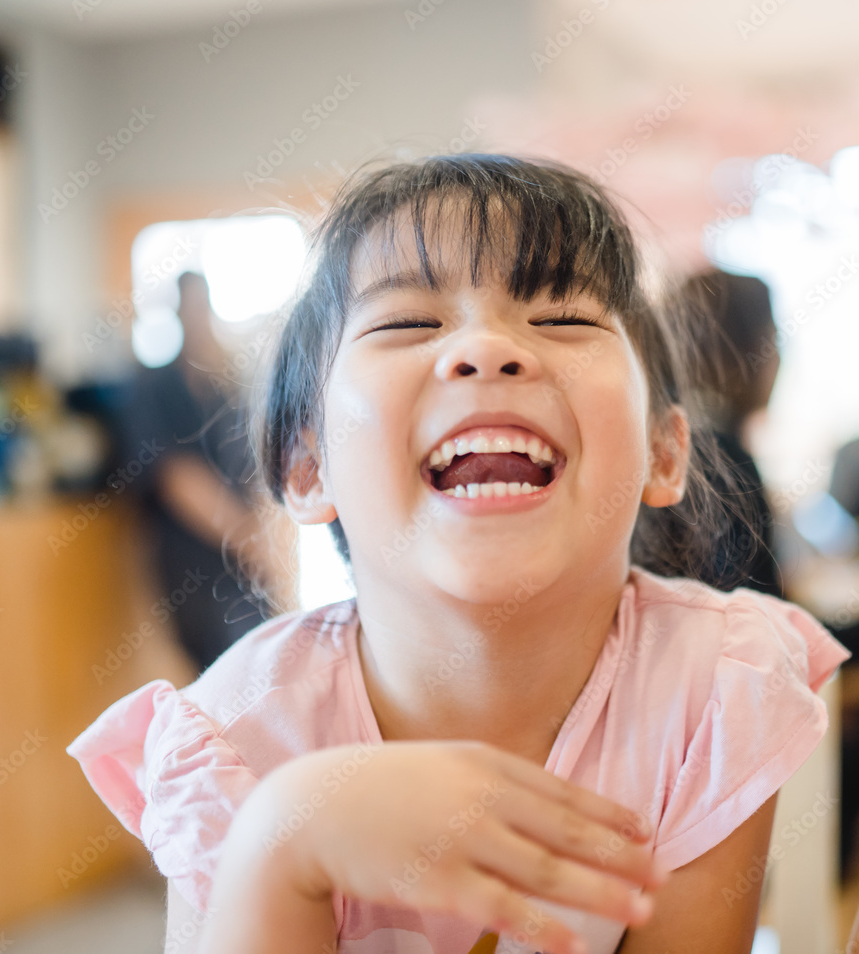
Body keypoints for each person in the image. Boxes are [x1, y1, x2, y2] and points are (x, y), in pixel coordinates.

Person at [67, 155, 850, 954]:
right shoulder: (240, 738)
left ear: (662, 451)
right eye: (408, 322)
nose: (486, 349)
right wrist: (285, 845)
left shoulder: (713, 688)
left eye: (562, 319)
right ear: (308, 468)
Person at [116, 271, 276, 671]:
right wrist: (246, 537)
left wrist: (260, 542)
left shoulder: (227, 387)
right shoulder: (154, 387)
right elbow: (175, 477)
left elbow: (251, 470)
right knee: (219, 667)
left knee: (262, 658)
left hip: (240, 561)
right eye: (191, 306)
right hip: (189, 560)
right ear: (178, 311)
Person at [675, 269, 784, 598]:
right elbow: (753, 618)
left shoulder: (677, 441)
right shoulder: (722, 461)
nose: (778, 359)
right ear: (749, 351)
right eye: (774, 339)